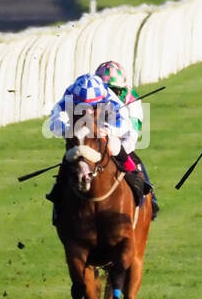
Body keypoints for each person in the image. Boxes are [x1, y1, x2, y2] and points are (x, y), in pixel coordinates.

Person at [45, 73, 152, 220]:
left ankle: (135, 177)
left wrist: (108, 130)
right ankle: (58, 192)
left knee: (114, 146)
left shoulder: (108, 97)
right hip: (78, 131)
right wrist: (66, 129)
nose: (87, 111)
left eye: (93, 107)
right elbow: (55, 119)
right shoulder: (69, 95)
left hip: (104, 129)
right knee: (71, 154)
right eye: (81, 106)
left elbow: (124, 122)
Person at [94, 59, 157, 218]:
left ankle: (150, 196)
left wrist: (113, 148)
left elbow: (132, 137)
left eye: (114, 90)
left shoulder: (131, 100)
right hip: (95, 145)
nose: (109, 95)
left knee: (134, 162)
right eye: (105, 89)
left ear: (121, 90)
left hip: (121, 145)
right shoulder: (91, 95)